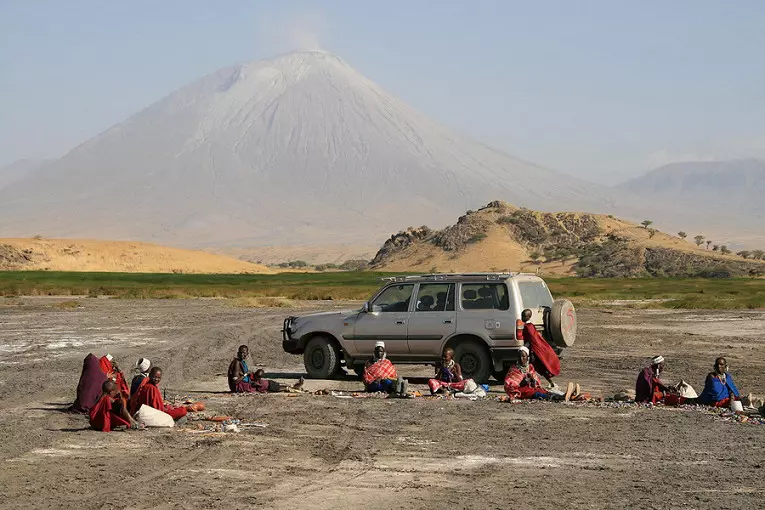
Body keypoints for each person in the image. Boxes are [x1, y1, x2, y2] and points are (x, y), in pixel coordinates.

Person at [504, 347, 576, 401]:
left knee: (543, 391)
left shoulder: (530, 367)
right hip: (520, 391)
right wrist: (523, 380)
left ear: (527, 358)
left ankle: (569, 396)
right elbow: (509, 385)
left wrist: (532, 379)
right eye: (519, 357)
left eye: (523, 356)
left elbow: (536, 383)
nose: (521, 358)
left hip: (531, 389)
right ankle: (561, 398)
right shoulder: (514, 369)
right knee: (537, 394)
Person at [520, 309, 561, 389]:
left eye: (524, 316)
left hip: (531, 352)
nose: (522, 318)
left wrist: (525, 349)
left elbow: (532, 340)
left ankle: (532, 384)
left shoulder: (528, 327)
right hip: (532, 351)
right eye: (522, 316)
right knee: (538, 369)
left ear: (529, 317)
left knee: (529, 368)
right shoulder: (530, 325)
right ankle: (550, 383)